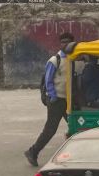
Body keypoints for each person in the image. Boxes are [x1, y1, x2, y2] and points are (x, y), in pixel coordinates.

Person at [25, 32, 75, 166]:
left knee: (75, 128)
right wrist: (52, 96)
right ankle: (33, 151)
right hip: (56, 100)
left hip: (70, 100)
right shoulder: (55, 60)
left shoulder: (74, 59)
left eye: (68, 42)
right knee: (51, 129)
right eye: (63, 42)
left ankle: (74, 155)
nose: (65, 44)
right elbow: (48, 81)